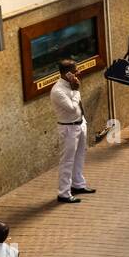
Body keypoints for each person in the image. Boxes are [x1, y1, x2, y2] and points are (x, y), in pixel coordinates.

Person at [50, 59, 94, 204]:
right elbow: (71, 108)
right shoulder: (58, 91)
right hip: (68, 128)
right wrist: (76, 91)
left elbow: (77, 106)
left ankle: (78, 184)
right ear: (67, 74)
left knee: (80, 156)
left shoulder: (72, 85)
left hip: (80, 124)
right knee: (67, 161)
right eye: (76, 71)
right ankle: (63, 193)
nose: (78, 73)